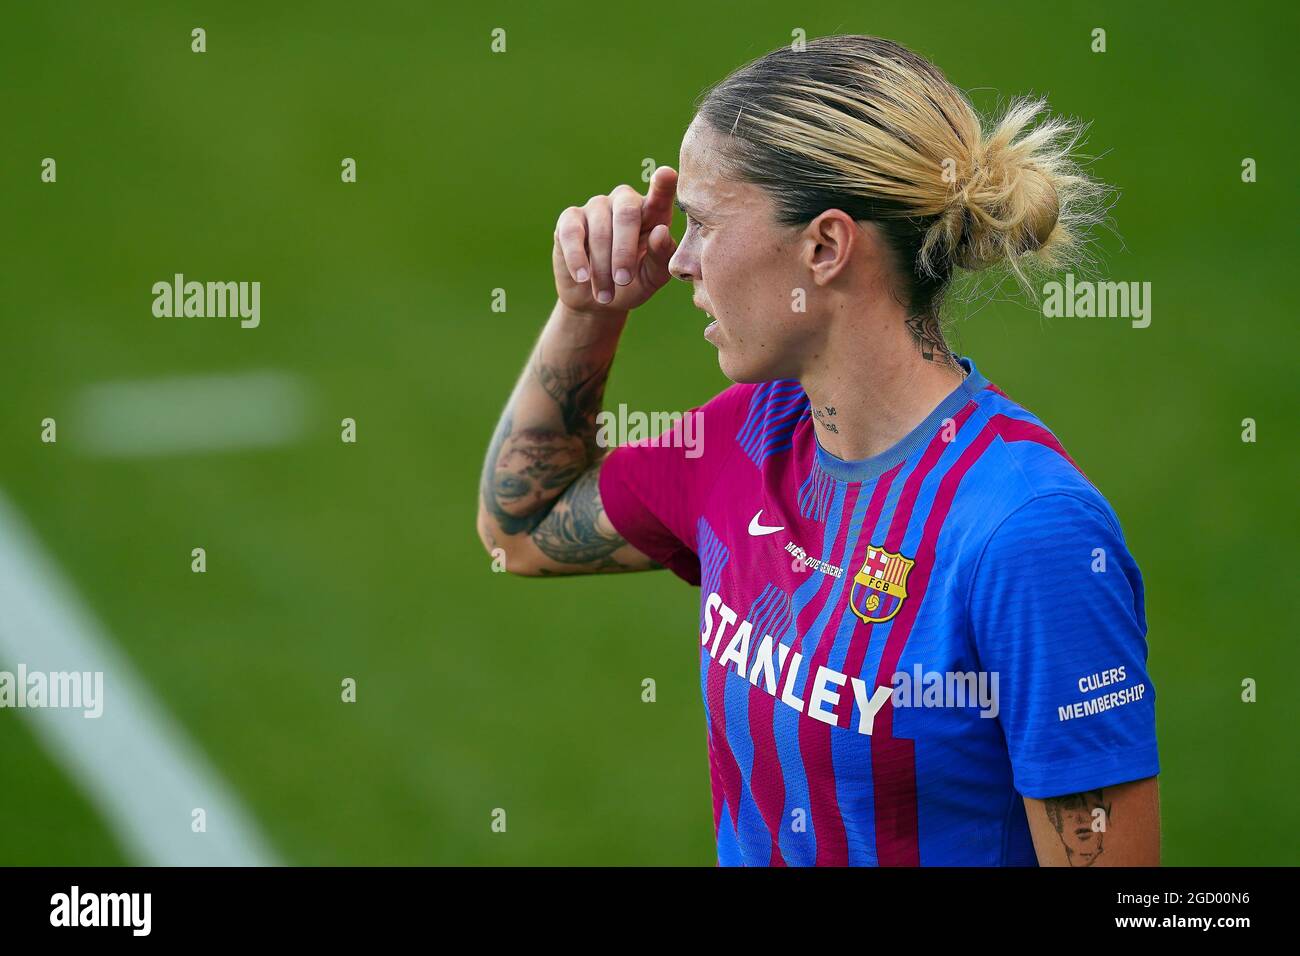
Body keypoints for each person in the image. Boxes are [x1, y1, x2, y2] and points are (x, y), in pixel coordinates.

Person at [477, 34, 1159, 866]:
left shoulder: (1026, 532)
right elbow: (522, 529)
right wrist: (589, 310)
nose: (680, 261)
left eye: (702, 223)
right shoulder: (744, 434)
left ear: (826, 248)